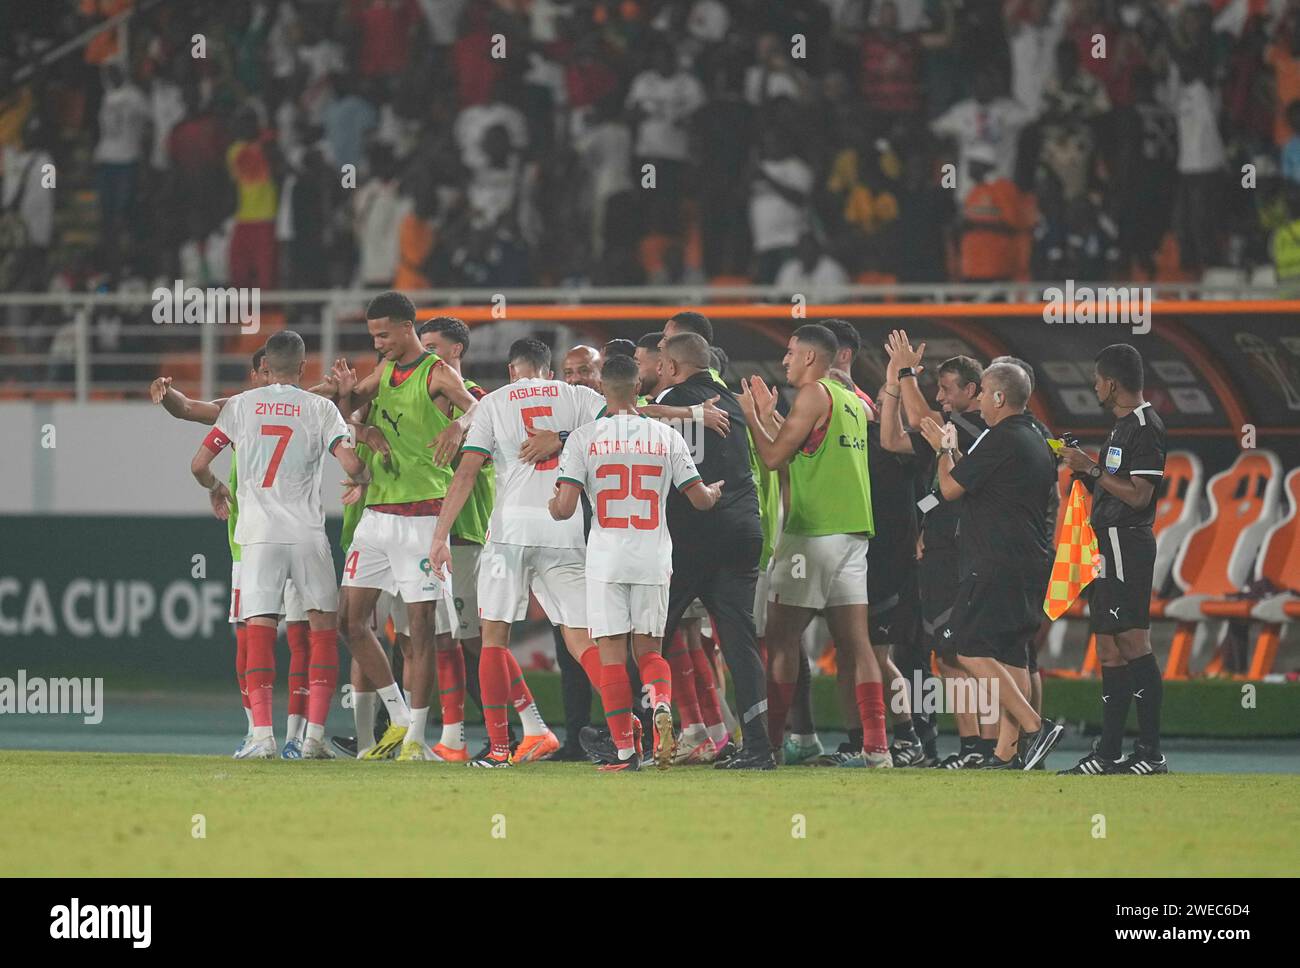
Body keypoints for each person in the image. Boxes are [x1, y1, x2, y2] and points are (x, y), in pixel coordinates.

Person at [188, 330, 369, 760]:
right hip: (308, 537)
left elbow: (197, 465)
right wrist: (358, 480)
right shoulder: (321, 407)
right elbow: (352, 462)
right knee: (323, 635)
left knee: (260, 634)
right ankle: (313, 739)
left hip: (259, 537)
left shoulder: (239, 405)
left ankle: (262, 737)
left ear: (265, 367)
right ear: (304, 368)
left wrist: (216, 487)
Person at [428, 338, 607, 767]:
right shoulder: (580, 397)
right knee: (583, 640)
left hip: (510, 532)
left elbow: (467, 473)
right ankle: (627, 731)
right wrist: (564, 437)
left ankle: (501, 749)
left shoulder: (494, 402)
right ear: (549, 371)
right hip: (565, 527)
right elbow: (623, 422)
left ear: (512, 371)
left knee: (493, 638)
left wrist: (439, 536)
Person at [326, 291, 480, 761]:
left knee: (421, 629)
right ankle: (397, 715)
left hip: (421, 518)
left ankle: (417, 737)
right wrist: (360, 423)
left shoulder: (437, 373)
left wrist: (459, 425)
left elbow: (481, 409)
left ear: (407, 327)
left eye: (383, 334)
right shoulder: (385, 371)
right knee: (348, 621)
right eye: (373, 336)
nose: (378, 343)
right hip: (377, 517)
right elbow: (349, 405)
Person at [550, 354, 722, 770]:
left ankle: (626, 752)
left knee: (611, 654)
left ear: (604, 389)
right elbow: (699, 500)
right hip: (653, 556)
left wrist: (553, 501)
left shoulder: (584, 438)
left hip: (606, 558)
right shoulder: (665, 436)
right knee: (650, 650)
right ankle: (661, 702)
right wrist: (715, 493)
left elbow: (565, 508)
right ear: (637, 388)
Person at [150, 350, 322, 758]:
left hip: (281, 536)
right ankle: (257, 732)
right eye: (263, 371)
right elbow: (191, 409)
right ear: (256, 373)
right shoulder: (239, 409)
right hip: (251, 542)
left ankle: (296, 736)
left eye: (273, 370)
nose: (269, 377)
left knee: (301, 638)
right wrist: (168, 396)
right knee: (249, 641)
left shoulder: (309, 404)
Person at [739, 324, 891, 768]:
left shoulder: (812, 395)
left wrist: (752, 415)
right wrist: (772, 419)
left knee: (782, 638)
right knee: (856, 643)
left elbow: (773, 459)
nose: (784, 361)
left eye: (790, 353)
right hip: (853, 533)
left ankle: (768, 746)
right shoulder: (851, 401)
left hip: (812, 533)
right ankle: (877, 749)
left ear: (810, 358)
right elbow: (805, 456)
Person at [918, 362, 1062, 770]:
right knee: (1012, 653)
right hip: (1029, 559)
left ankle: (1036, 727)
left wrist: (944, 450)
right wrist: (954, 454)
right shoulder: (1034, 436)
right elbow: (981, 480)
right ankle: (1006, 751)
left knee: (968, 646)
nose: (979, 400)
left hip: (994, 559)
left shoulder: (999, 438)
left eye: (982, 393)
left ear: (999, 398)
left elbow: (948, 488)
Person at [653, 332, 773, 768]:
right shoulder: (735, 401)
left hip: (688, 537)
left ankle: (625, 738)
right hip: (742, 530)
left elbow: (624, 415)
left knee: (651, 636)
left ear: (672, 366)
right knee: (739, 641)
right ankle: (759, 747)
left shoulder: (668, 397)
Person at [878, 331, 991, 767]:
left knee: (957, 653)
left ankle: (979, 747)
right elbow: (890, 439)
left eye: (947, 389)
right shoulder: (948, 433)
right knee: (948, 652)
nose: (941, 398)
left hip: (961, 555)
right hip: (940, 552)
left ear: (972, 391)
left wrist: (907, 373)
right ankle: (985, 747)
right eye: (938, 388)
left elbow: (924, 417)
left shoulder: (973, 427)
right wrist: (892, 383)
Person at [1058, 344, 1168, 775]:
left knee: (1132, 641)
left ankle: (1151, 753)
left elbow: (1140, 496)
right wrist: (1084, 468)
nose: (1094, 386)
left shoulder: (1145, 425)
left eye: (1098, 380)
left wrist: (1092, 468)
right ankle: (1107, 753)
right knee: (1107, 647)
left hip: (1127, 542)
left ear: (1113, 383)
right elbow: (1111, 483)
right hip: (1105, 543)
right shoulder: (1121, 426)